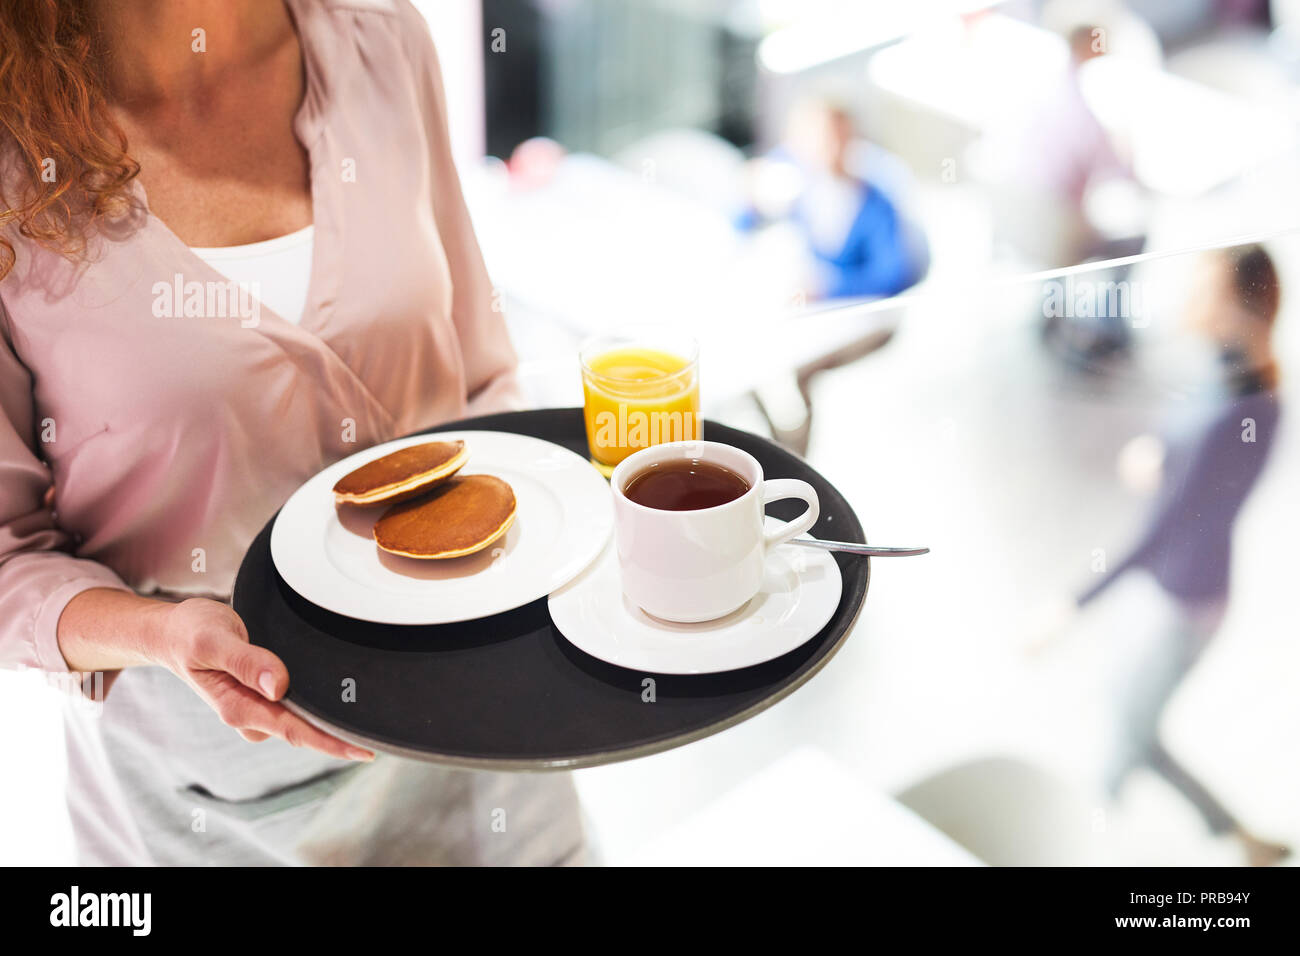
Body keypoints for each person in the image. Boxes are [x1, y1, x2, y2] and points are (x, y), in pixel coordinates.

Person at [0, 0, 583, 865]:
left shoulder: (381, 39)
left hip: (485, 720)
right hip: (211, 780)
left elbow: (483, 372)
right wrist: (159, 636)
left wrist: (572, 534)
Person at [1072, 244, 1288, 866]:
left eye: (1204, 291)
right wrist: (1161, 454)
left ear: (1237, 310)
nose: (1187, 300)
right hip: (1170, 590)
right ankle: (1242, 840)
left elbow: (1161, 532)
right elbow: (1190, 449)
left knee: (1126, 743)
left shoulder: (1242, 407)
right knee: (1130, 727)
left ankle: (1086, 842)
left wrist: (1069, 604)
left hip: (1186, 601)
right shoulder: (1228, 375)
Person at [737, 99, 915, 301]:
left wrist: (828, 287)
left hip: (846, 317)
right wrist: (748, 199)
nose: (826, 146)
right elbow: (740, 233)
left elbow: (892, 278)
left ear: (851, 138)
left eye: (835, 136)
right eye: (815, 137)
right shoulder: (789, 193)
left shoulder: (876, 206)